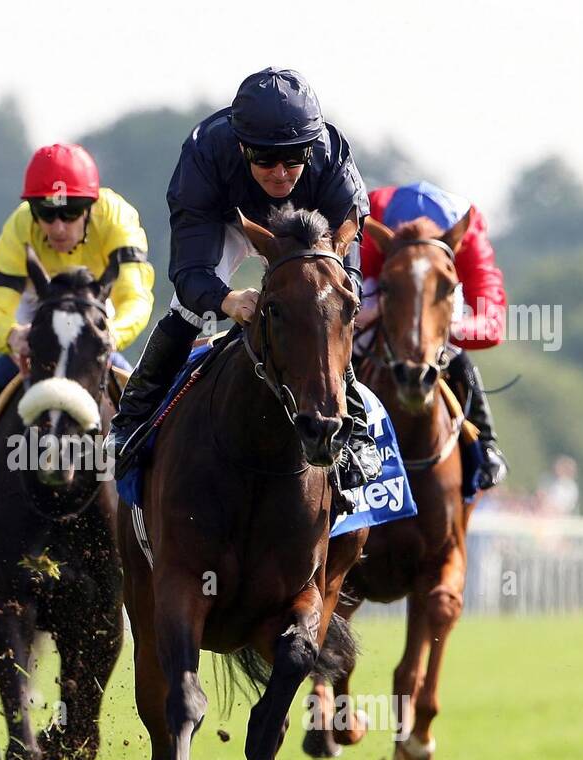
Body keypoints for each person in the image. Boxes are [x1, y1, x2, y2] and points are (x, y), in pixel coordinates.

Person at [106, 67, 382, 503]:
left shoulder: (331, 158)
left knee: (327, 308)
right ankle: (132, 419)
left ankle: (356, 433)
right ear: (241, 146)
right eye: (265, 159)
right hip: (230, 222)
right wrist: (228, 300)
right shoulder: (204, 154)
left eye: (293, 159)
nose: (279, 172)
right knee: (190, 308)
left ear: (311, 150)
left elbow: (348, 277)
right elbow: (192, 271)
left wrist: (333, 298)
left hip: (311, 232)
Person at [0, 143, 154, 489]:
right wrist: (11, 335)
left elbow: (135, 299)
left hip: (94, 311)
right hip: (38, 308)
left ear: (90, 208)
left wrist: (111, 334)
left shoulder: (118, 218)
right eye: (46, 213)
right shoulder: (20, 227)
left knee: (138, 389)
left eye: (71, 212)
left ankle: (150, 450)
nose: (58, 227)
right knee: (1, 366)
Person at [358, 180, 509, 488]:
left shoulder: (468, 229)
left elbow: (492, 322)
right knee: (352, 339)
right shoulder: (371, 213)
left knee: (447, 341)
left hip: (438, 290)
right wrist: (366, 315)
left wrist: (445, 329)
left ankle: (486, 444)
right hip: (381, 275)